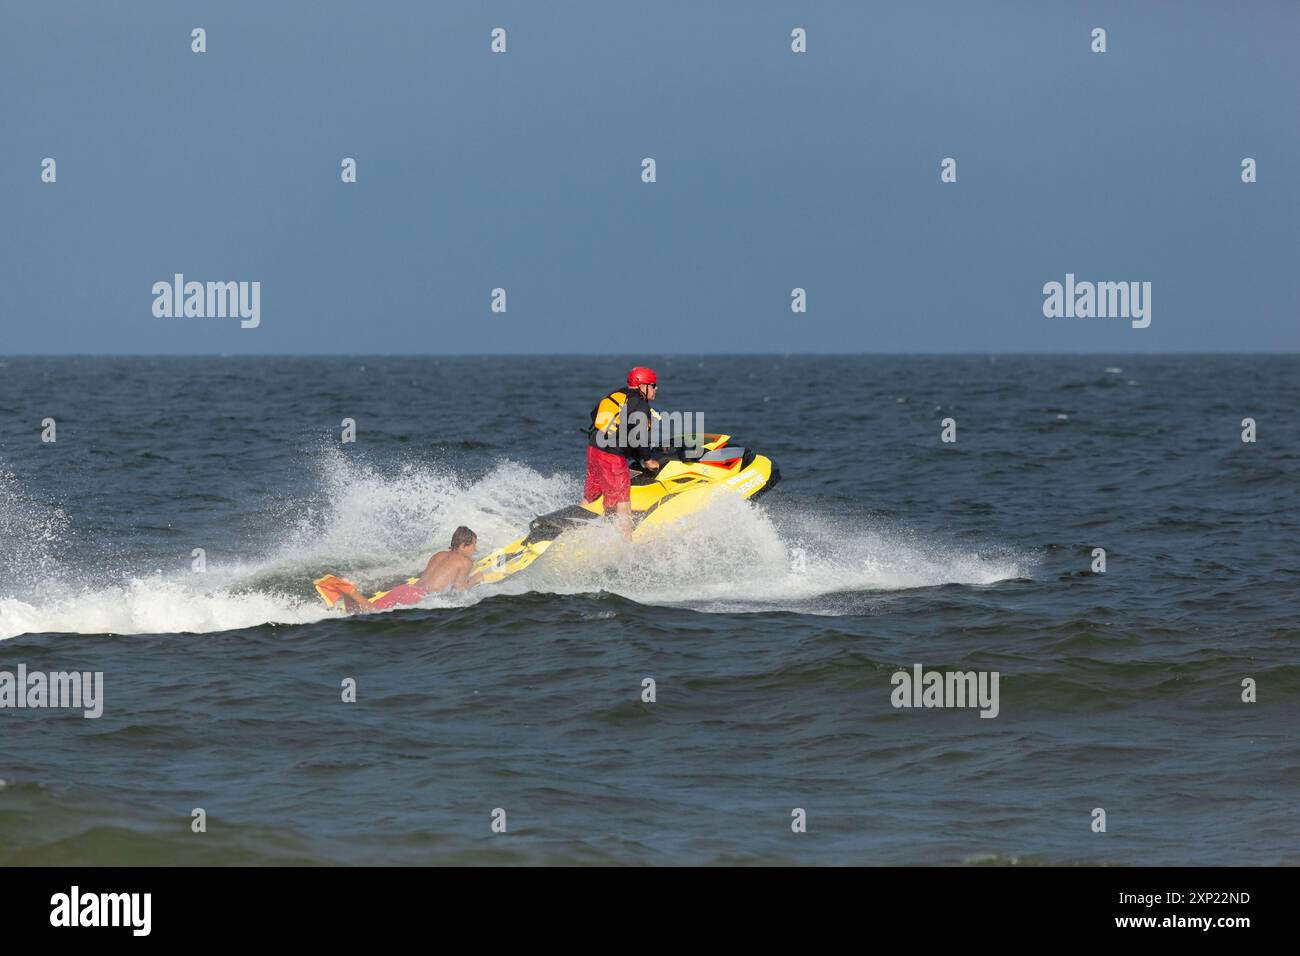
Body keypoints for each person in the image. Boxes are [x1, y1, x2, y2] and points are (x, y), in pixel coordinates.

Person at [585, 366, 662, 540]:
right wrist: (648, 460)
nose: (656, 389)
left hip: (593, 449)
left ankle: (569, 528)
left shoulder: (617, 394)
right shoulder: (641, 406)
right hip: (611, 456)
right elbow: (641, 438)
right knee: (623, 503)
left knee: (592, 498)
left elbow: (594, 415)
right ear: (643, 386)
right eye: (653, 385)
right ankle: (625, 546)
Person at [337, 526, 482, 614]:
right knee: (374, 613)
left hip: (405, 589)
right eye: (473, 545)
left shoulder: (439, 554)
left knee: (361, 612)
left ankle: (347, 595)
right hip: (418, 597)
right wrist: (475, 580)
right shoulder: (465, 561)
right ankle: (352, 592)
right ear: (463, 545)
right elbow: (459, 589)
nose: (475, 549)